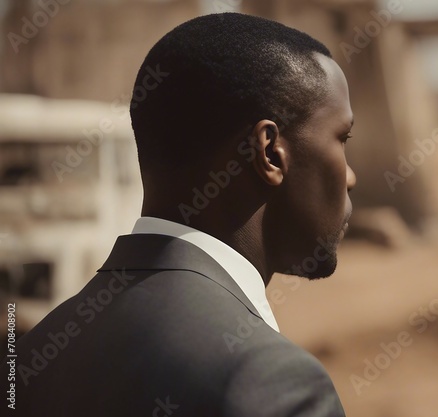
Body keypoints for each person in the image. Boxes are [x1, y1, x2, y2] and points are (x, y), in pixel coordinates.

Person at [17, 13, 354, 416]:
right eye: (343, 138)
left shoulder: (35, 353)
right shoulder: (271, 380)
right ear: (269, 153)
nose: (350, 176)